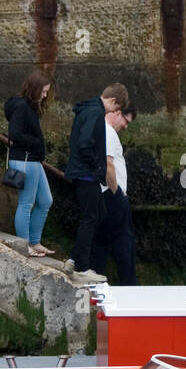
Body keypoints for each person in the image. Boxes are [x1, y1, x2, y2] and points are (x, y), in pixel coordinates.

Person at [64, 82, 129, 283]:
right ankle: (82, 267)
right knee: (90, 217)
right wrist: (98, 166)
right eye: (116, 109)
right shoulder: (94, 113)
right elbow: (85, 144)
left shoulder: (89, 109)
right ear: (112, 101)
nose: (114, 113)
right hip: (87, 174)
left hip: (84, 172)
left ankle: (75, 258)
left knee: (99, 212)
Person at [4, 70, 54, 257]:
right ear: (34, 88)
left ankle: (35, 241)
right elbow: (14, 134)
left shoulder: (29, 107)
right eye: (43, 91)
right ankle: (24, 245)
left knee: (45, 200)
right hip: (25, 159)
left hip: (33, 160)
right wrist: (37, 143)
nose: (45, 95)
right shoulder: (22, 106)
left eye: (47, 92)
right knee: (26, 203)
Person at [90, 105, 137, 284]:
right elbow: (108, 164)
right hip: (111, 195)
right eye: (126, 121)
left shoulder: (100, 130)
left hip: (105, 194)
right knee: (124, 242)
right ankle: (130, 286)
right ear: (117, 113)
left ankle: (97, 284)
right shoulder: (108, 132)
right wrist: (116, 192)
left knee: (103, 242)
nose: (126, 126)